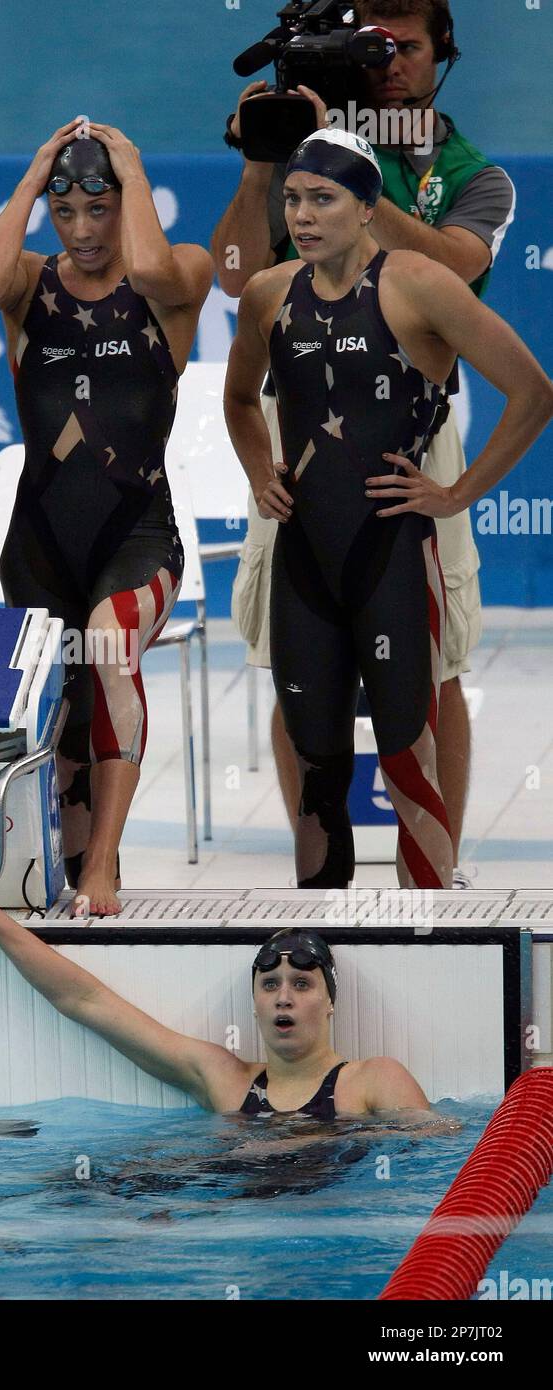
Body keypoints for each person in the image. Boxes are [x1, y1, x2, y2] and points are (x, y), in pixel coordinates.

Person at [211, 0, 516, 885]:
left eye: (405, 48)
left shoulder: (470, 174)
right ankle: (315, 870)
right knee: (287, 657)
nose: (386, 66)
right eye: (368, 48)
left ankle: (439, 867)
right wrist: (264, 168)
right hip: (293, 431)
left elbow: (454, 270)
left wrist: (348, 178)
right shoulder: (298, 166)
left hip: (410, 441)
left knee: (436, 665)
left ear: (441, 57)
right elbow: (234, 274)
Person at [0, 121, 213, 917]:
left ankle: (106, 862)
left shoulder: (175, 279)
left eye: (99, 209)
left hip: (138, 535)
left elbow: (148, 262)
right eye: (64, 211)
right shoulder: (28, 285)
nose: (81, 231)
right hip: (36, 542)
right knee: (62, 717)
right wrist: (34, 169)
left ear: (126, 205)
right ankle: (72, 870)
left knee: (110, 648)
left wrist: (132, 165)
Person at [0, 865, 434, 1117]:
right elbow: (86, 1001)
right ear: (254, 1002)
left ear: (330, 1003)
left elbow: (441, 1169)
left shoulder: (372, 1082)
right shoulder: (226, 1082)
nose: (284, 997)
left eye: (302, 984)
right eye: (270, 984)